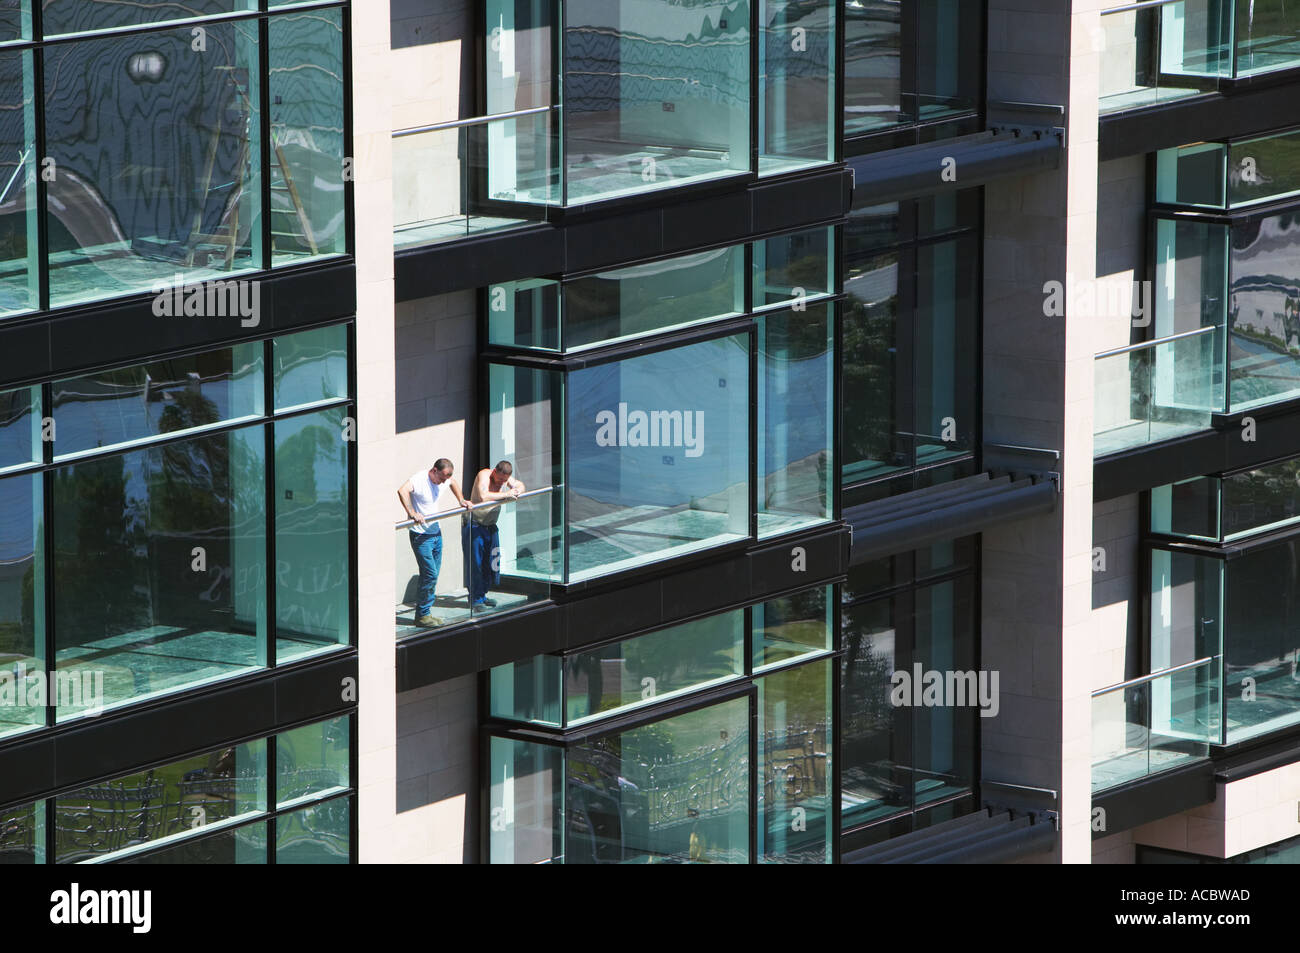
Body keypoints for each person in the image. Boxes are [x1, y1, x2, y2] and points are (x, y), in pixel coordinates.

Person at [397, 459, 470, 627]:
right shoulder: (420, 479)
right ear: (434, 470)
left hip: (436, 532)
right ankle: (422, 616)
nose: (443, 482)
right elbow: (402, 490)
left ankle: (426, 613)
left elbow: (452, 482)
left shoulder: (444, 479)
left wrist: (461, 500)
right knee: (429, 574)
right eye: (442, 478)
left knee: (434, 575)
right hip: (421, 535)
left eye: (445, 479)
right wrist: (412, 512)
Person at [464, 461, 525, 608]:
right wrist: (507, 494)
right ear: (494, 472)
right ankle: (475, 599)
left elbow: (521, 485)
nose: (501, 483)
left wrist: (517, 491)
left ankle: (482, 594)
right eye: (500, 479)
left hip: (490, 526)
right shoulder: (484, 475)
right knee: (476, 563)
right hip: (475, 525)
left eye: (505, 480)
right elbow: (483, 496)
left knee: (491, 562)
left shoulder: (505, 479)